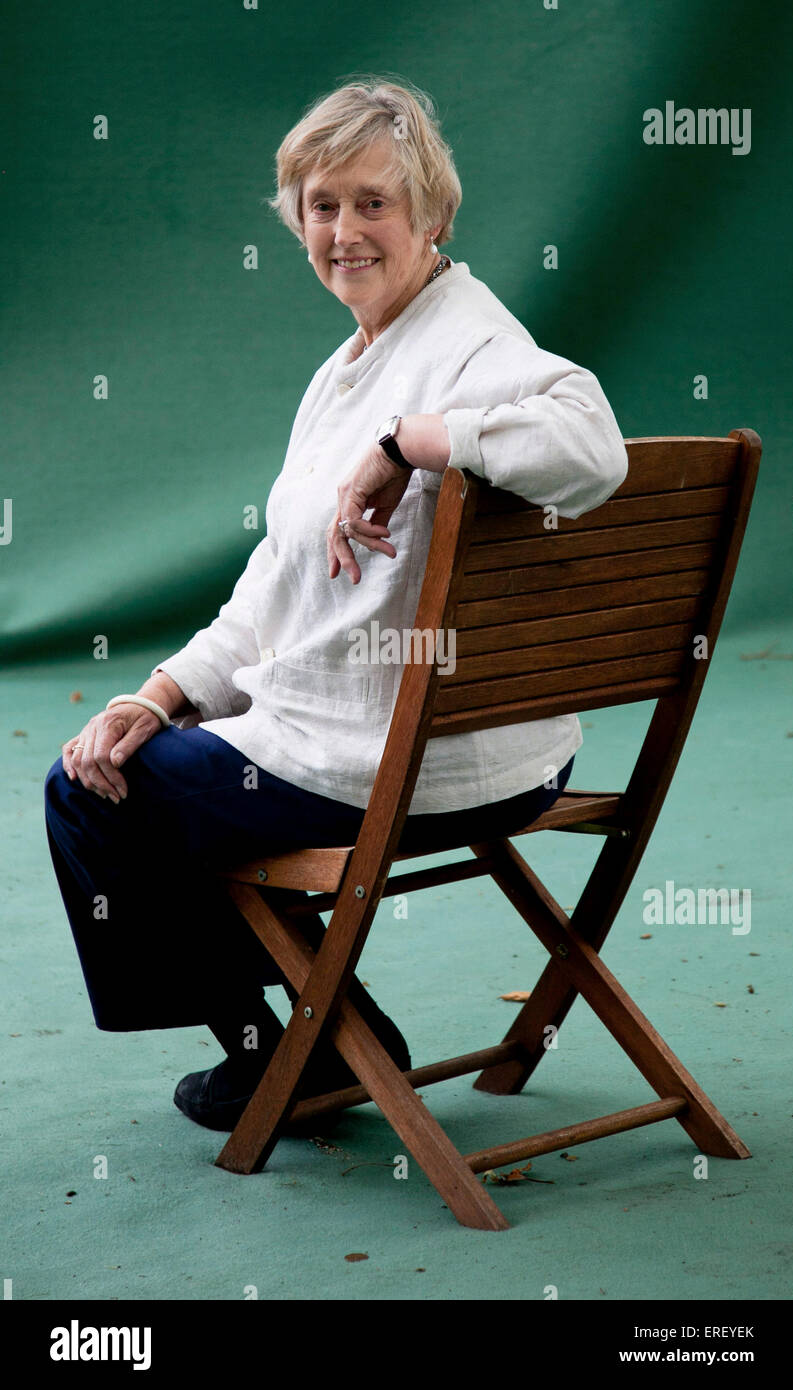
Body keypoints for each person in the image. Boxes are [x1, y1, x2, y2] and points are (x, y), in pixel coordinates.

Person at [44, 77, 628, 1135]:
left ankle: (289, 1048)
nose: (344, 230)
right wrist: (166, 689)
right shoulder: (345, 371)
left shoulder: (475, 347)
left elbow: (592, 447)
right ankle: (328, 1028)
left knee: (91, 791)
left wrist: (411, 442)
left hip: (402, 762)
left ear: (433, 217)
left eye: (374, 202)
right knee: (145, 745)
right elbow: (275, 581)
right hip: (479, 754)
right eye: (321, 205)